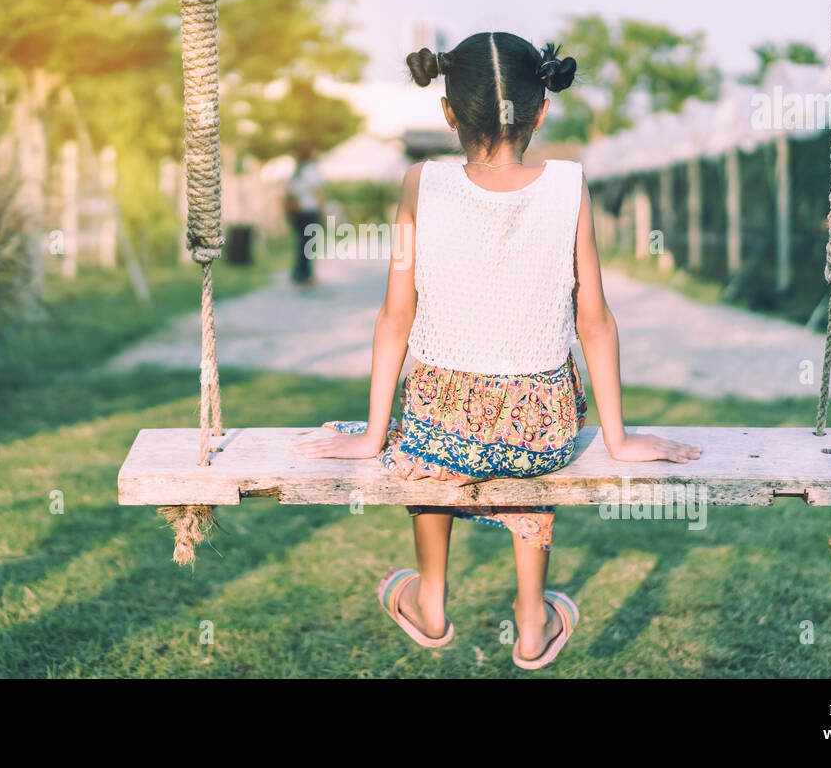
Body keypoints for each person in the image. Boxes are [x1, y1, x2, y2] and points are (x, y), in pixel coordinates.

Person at [291, 33, 703, 669]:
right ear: (541, 110)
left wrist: (374, 434)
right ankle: (533, 620)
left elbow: (395, 315)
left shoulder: (417, 184)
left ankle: (430, 599)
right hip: (543, 431)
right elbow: (593, 320)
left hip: (440, 425)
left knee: (430, 429)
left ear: (448, 112)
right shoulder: (570, 185)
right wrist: (618, 440)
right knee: (521, 414)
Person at [286, 146, 324, 285]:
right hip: (310, 210)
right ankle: (307, 275)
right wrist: (323, 209)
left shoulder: (297, 172)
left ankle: (298, 273)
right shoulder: (312, 170)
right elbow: (317, 191)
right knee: (310, 244)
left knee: (302, 243)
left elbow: (290, 192)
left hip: (297, 212)